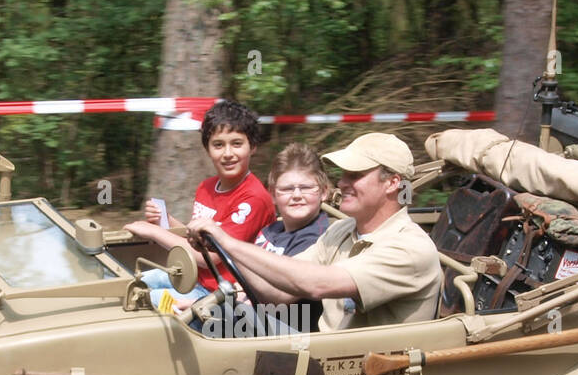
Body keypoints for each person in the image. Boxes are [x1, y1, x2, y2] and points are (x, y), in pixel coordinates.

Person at [186, 132, 441, 331]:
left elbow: (313, 284)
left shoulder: (410, 248)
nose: (342, 182)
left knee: (205, 328)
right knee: (195, 321)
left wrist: (229, 243)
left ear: (392, 183)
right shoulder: (343, 230)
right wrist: (220, 251)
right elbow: (279, 292)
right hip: (321, 354)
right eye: (343, 175)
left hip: (362, 373)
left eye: (355, 175)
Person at [125, 99, 275, 309]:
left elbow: (209, 258)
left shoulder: (253, 199)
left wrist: (153, 232)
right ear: (207, 149)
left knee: (142, 300)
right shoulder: (206, 187)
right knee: (129, 283)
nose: (228, 153)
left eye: (237, 143)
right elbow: (197, 240)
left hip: (225, 296)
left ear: (253, 147)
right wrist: (166, 220)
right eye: (218, 145)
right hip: (194, 277)